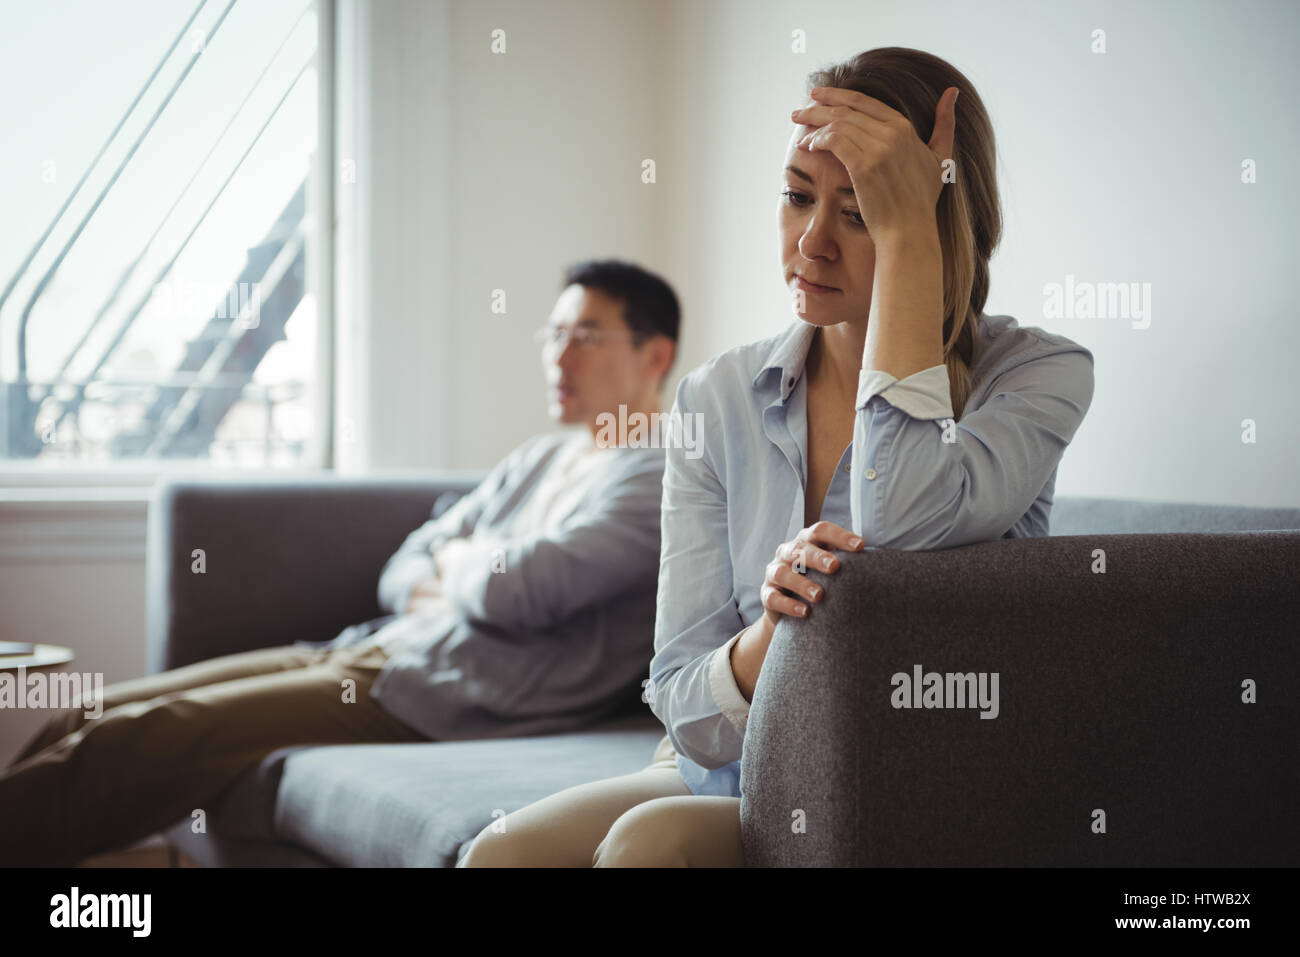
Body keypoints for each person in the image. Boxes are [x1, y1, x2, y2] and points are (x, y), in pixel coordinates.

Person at [459, 46, 1095, 867]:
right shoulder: (716, 396)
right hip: (734, 765)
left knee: (646, 848)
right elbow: (682, 699)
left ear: (934, 224)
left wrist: (909, 244)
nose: (813, 242)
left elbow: (902, 516)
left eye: (862, 210)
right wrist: (774, 631)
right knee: (499, 854)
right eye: (798, 198)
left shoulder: (1039, 374)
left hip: (920, 777)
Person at [0, 258, 680, 867]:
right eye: (553, 334)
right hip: (375, 652)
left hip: (451, 693)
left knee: (148, 734)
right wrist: (466, 565)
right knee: (88, 709)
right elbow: (405, 565)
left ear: (656, 355)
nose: (559, 356)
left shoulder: (658, 476)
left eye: (586, 336)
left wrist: (459, 565)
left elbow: (523, 589)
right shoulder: (544, 455)